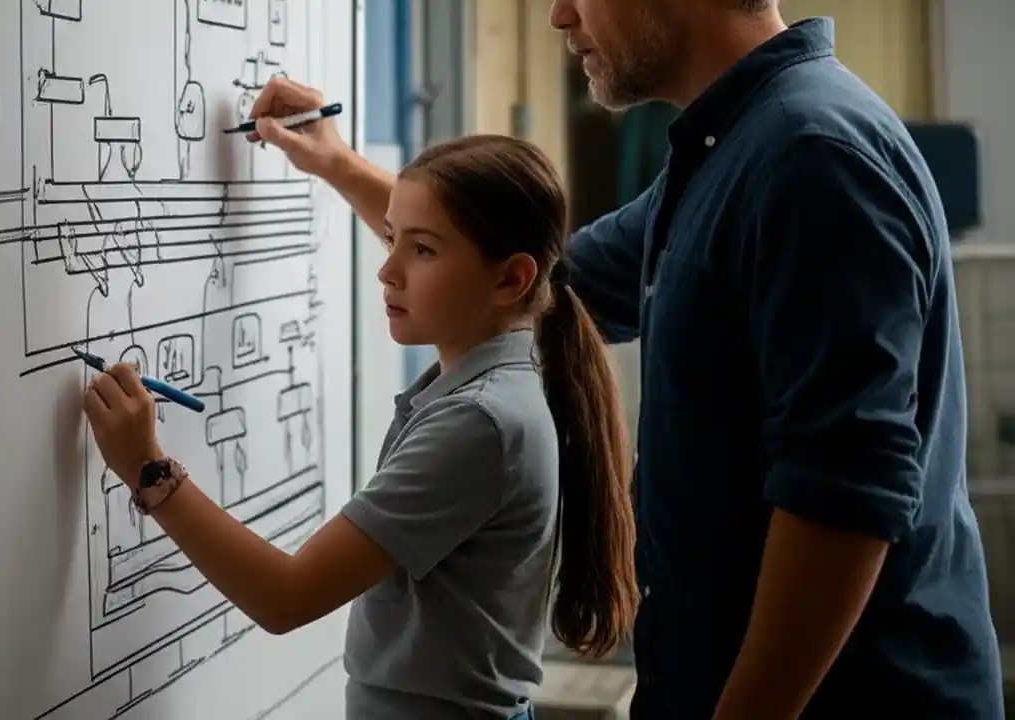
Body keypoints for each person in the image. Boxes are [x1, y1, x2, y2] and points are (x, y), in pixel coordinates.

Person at [243, 1, 1004, 718]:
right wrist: (340, 166)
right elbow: (527, 283)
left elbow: (842, 501)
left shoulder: (812, 154)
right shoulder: (732, 148)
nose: (559, 14)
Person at [82, 134, 639, 719]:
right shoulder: (497, 378)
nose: (386, 270)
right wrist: (337, 165)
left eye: (422, 250)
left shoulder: (479, 422)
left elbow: (284, 597)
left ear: (510, 280)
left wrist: (148, 469)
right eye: (392, 238)